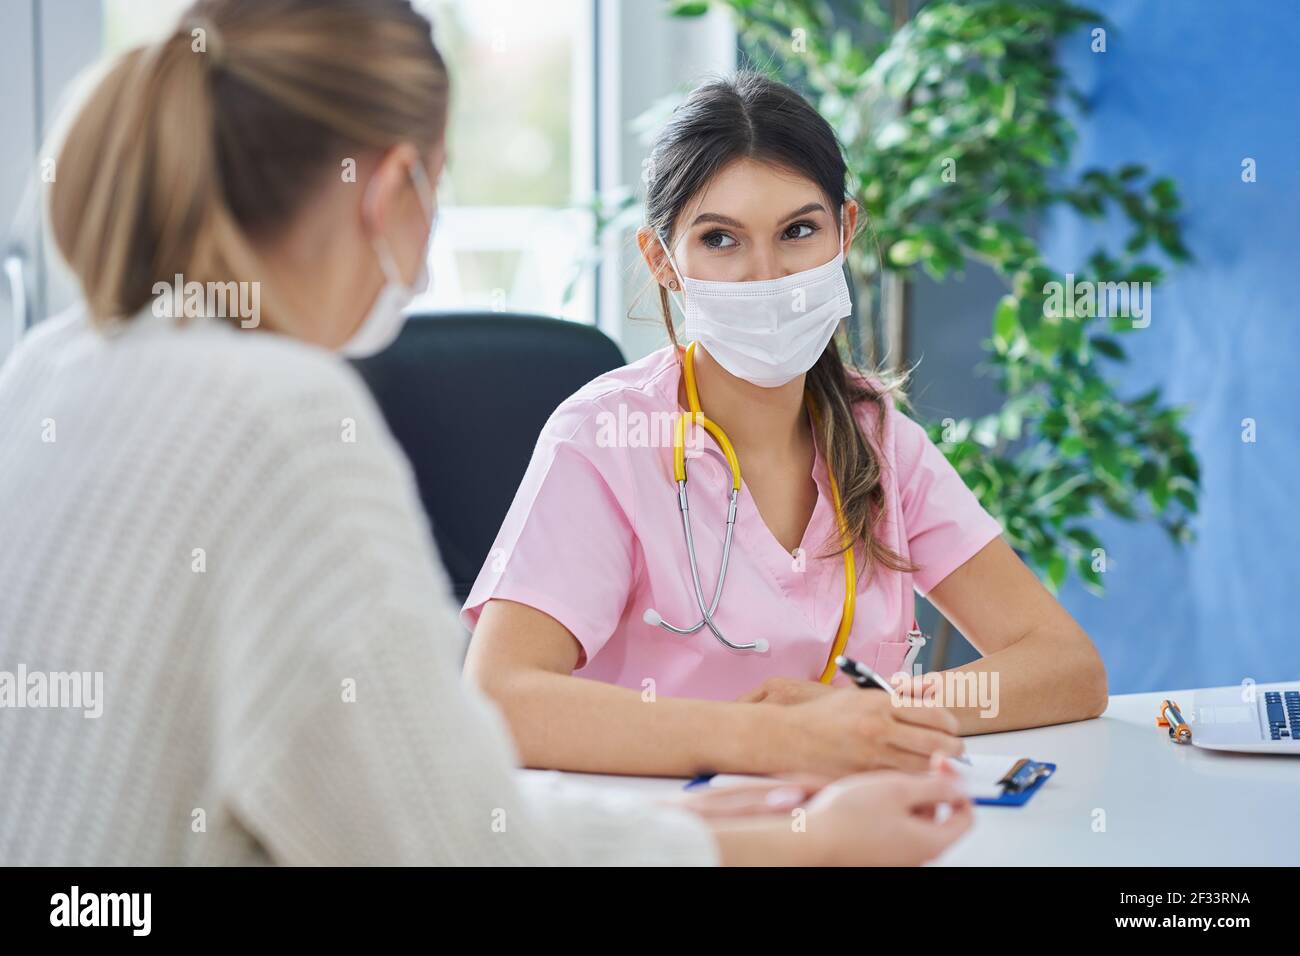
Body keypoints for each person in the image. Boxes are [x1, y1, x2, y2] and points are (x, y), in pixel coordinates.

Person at [0, 0, 971, 866]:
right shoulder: (282, 416)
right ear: (390, 191)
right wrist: (801, 844)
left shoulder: (54, 364)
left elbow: (400, 810)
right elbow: (450, 843)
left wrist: (740, 825)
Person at [463, 73, 1108, 778]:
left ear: (846, 232)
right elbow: (499, 700)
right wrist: (762, 739)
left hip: (847, 830)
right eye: (720, 239)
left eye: (799, 231)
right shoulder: (604, 440)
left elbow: (1067, 667)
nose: (766, 276)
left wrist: (883, 711)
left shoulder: (878, 440)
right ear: (662, 260)